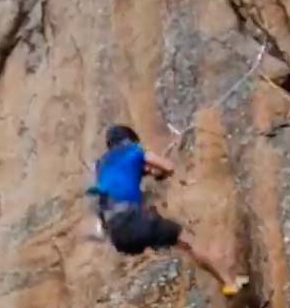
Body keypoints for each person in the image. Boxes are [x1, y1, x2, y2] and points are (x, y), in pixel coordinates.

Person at [83, 125, 248, 296]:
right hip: (133, 220)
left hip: (117, 235)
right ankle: (230, 282)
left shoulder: (101, 166)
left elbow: (110, 188)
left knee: (184, 245)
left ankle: (226, 281)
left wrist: (145, 173)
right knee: (191, 242)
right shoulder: (133, 150)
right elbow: (168, 167)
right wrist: (159, 173)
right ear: (129, 140)